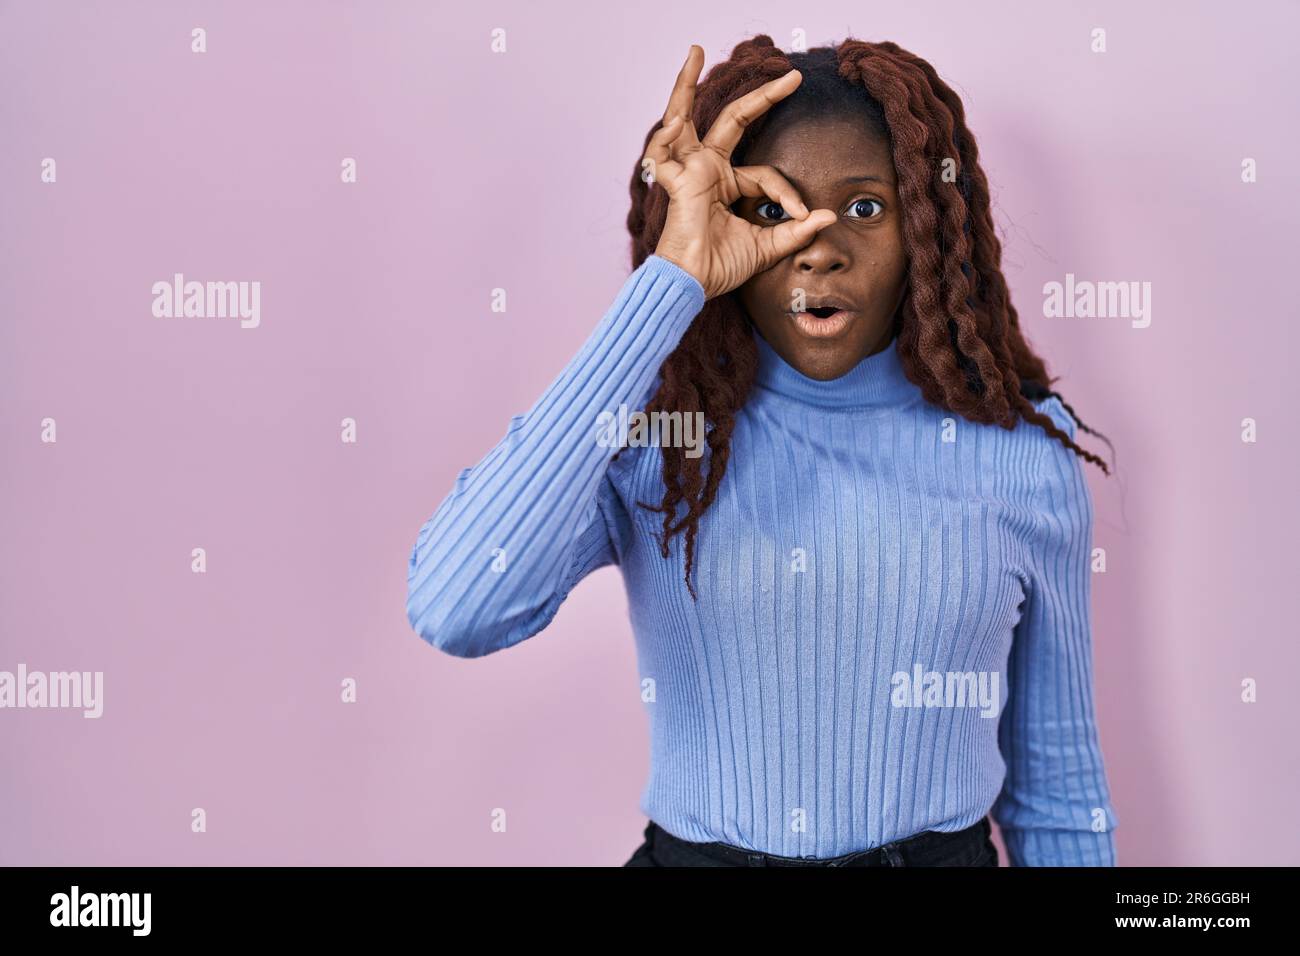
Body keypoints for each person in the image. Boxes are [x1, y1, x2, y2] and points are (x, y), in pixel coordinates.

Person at [406, 36, 1119, 867]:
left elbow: (1059, 791)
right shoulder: (661, 442)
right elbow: (457, 605)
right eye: (771, 210)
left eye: (864, 208)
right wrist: (669, 283)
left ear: (925, 228)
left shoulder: (1023, 455)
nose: (819, 247)